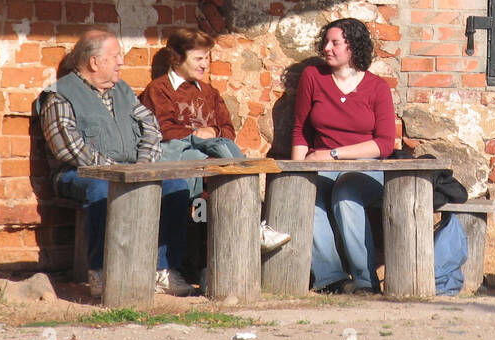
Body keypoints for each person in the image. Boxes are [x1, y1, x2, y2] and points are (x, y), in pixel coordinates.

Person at [39, 27, 195, 297]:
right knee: (101, 189)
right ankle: (100, 272)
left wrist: (142, 167)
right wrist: (116, 172)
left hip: (131, 170)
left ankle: (164, 270)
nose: (121, 62)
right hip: (79, 174)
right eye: (115, 56)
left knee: (177, 187)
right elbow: (68, 148)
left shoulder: (122, 90)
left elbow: (151, 127)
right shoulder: (60, 95)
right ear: (94, 62)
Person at [140, 27, 290, 254]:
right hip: (181, 160)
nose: (204, 64)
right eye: (198, 58)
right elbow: (162, 130)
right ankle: (251, 229)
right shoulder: (159, 90)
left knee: (224, 149)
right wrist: (197, 137)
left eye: (207, 58)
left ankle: (250, 227)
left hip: (211, 164)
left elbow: (228, 130)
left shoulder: (210, 93)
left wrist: (213, 130)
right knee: (214, 163)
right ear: (178, 58)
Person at [291, 18, 396, 294]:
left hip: (366, 168)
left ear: (352, 47)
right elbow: (300, 129)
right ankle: (331, 279)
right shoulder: (313, 78)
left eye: (335, 43)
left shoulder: (377, 88)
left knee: (346, 193)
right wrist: (297, 170)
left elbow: (384, 144)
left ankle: (365, 282)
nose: (327, 48)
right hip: (322, 166)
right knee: (306, 194)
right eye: (325, 42)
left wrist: (333, 154)